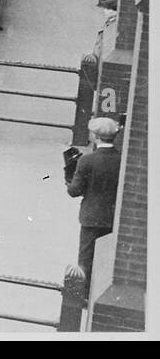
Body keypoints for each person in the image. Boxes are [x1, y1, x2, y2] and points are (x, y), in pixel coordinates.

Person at [65, 117, 123, 291]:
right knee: (106, 260)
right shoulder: (121, 159)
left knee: (85, 259)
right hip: (112, 216)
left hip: (91, 217)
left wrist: (69, 177)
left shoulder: (87, 161)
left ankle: (80, 295)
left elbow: (74, 190)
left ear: (96, 136)